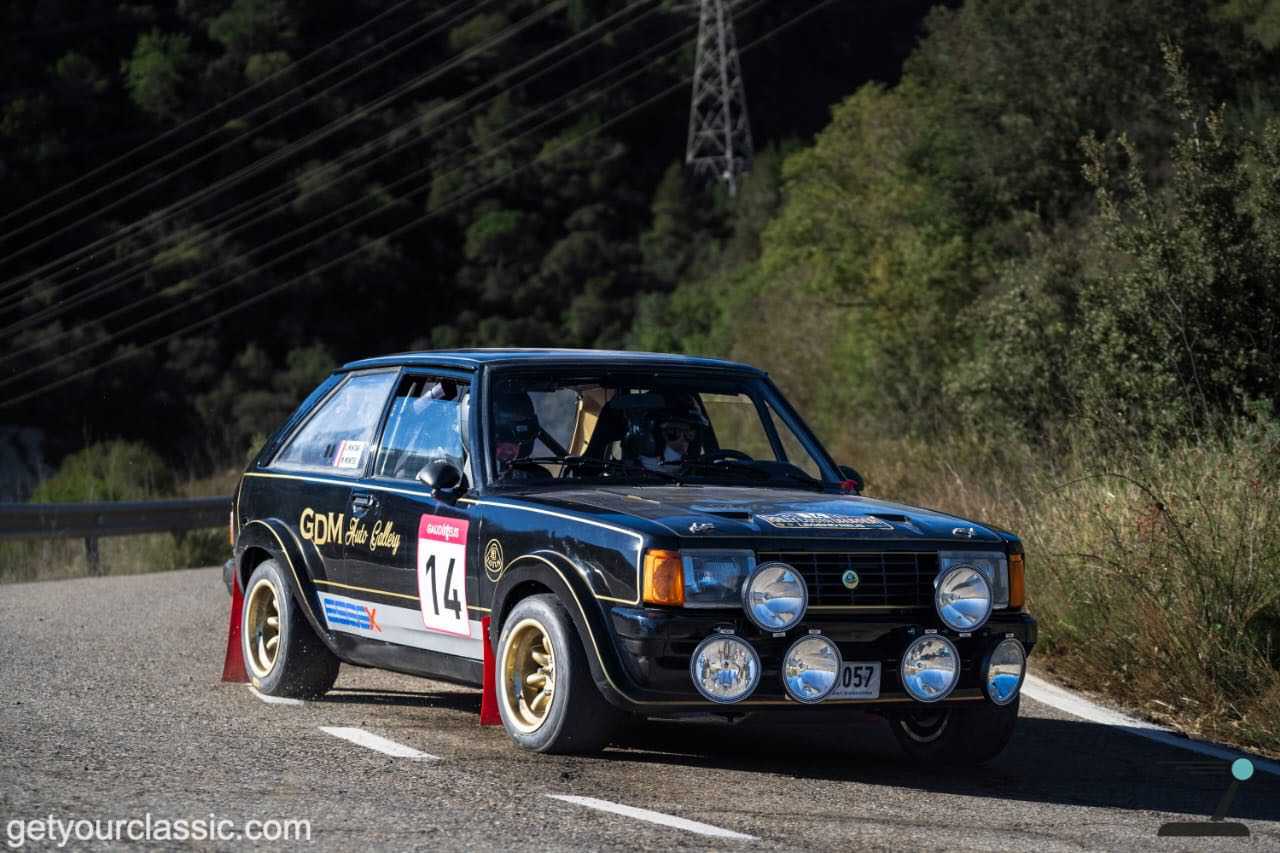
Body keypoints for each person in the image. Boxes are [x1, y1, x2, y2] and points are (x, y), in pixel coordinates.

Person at [624, 392, 709, 471]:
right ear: (647, 435)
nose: (682, 441)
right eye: (673, 432)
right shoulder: (625, 479)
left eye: (690, 434)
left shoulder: (704, 477)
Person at [491, 387, 551, 480]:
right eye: (502, 446)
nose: (509, 451)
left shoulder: (536, 477)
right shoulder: (472, 478)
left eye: (515, 444)